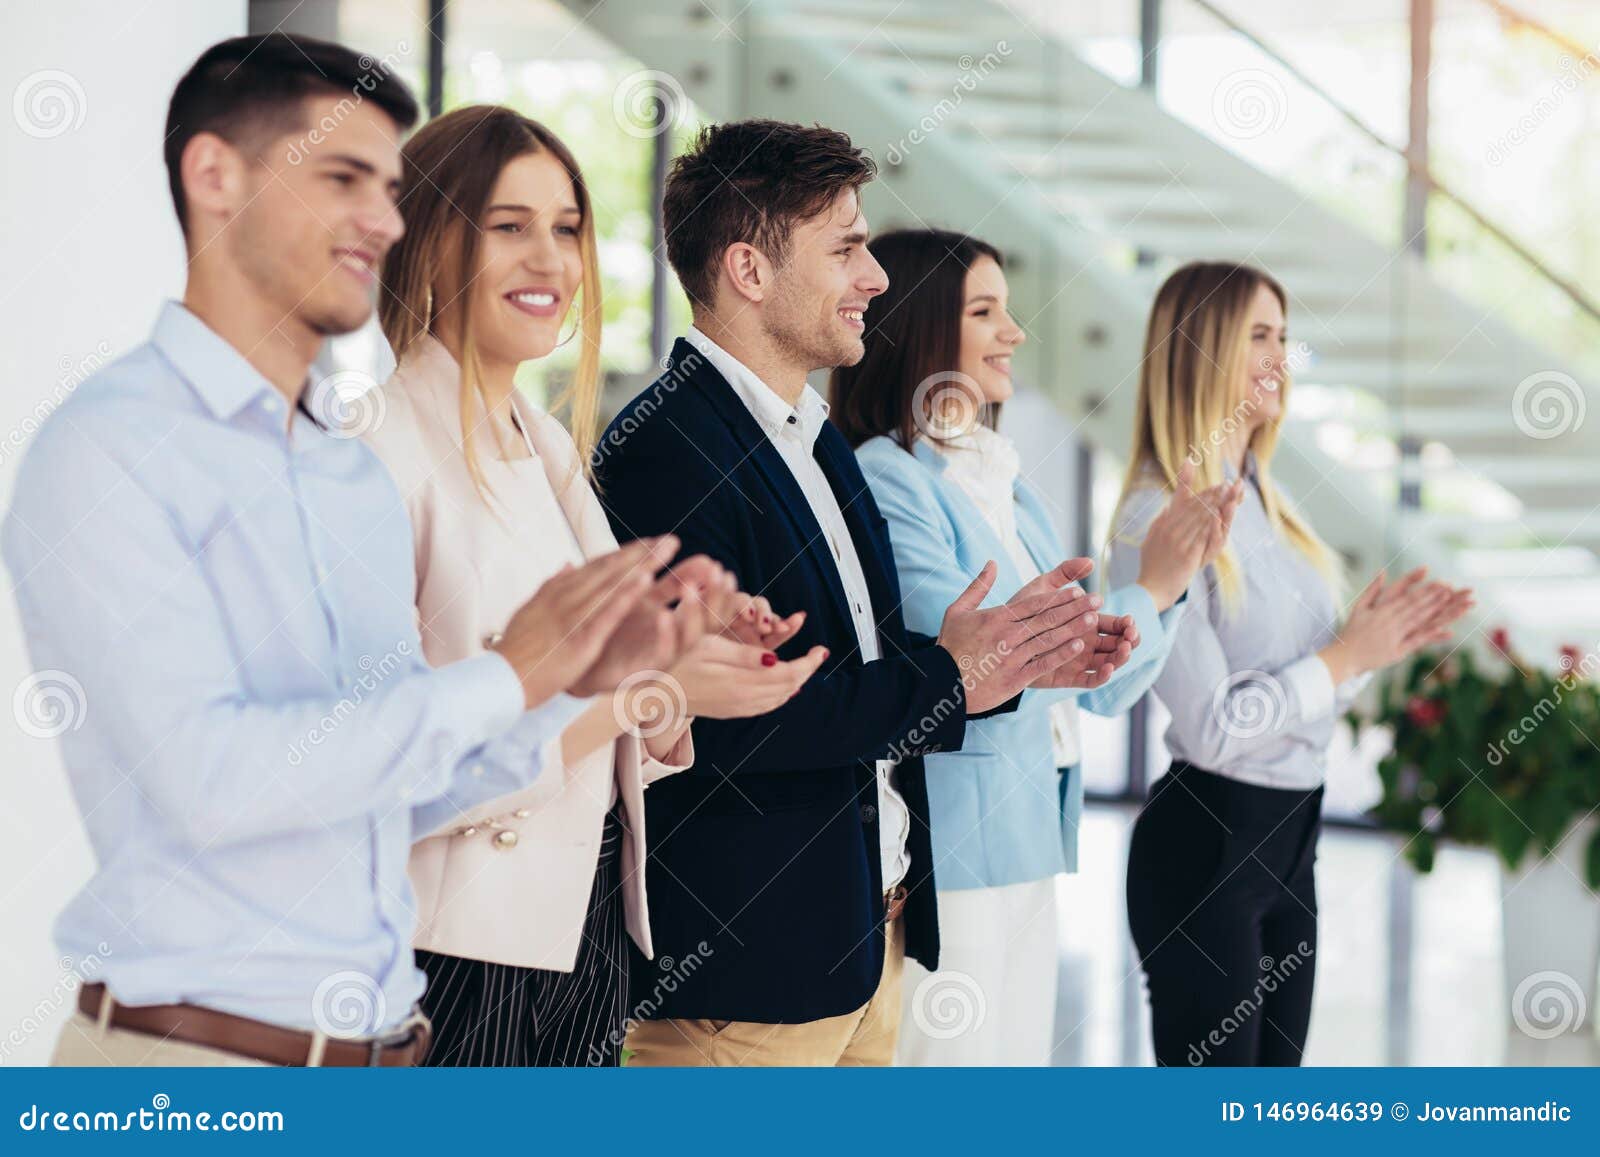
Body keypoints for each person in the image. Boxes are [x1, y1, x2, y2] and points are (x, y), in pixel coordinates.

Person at [2, 34, 699, 1068]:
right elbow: (214, 780)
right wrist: (515, 671)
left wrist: (587, 680)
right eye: (344, 178)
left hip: (382, 1052)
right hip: (198, 1068)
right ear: (213, 176)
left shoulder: (337, 476)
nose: (384, 216)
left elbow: (394, 781)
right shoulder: (114, 444)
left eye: (388, 185)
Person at [594, 120, 1135, 1066]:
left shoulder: (817, 440)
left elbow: (863, 676)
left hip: (866, 948)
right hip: (744, 991)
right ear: (749, 272)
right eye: (844, 248)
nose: (874, 278)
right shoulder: (663, 448)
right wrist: (953, 673)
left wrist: (976, 663)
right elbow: (728, 720)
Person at [363, 104, 825, 1066]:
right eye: (509, 226)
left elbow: (607, 714)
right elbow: (394, 770)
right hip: (453, 952)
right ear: (423, 239)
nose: (551, 258)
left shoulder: (541, 447)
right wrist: (641, 689)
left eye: (567, 227)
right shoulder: (376, 451)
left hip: (583, 935)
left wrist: (676, 649)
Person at [832, 228, 1242, 1065]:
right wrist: (1150, 586)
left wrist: (1161, 588)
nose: (1014, 333)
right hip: (955, 844)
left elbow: (1100, 688)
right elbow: (983, 660)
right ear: (917, 331)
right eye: (985, 312)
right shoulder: (887, 475)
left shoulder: (1008, 485)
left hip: (1031, 835)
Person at [1108, 261, 1474, 1067]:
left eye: (1284, 336)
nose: (1281, 357)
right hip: (1208, 844)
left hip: (1288, 843)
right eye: (1258, 337)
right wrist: (1345, 658)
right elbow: (1213, 727)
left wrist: (1376, 646)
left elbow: (1314, 674)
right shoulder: (1155, 515)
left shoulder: (1267, 500)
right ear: (1203, 352)